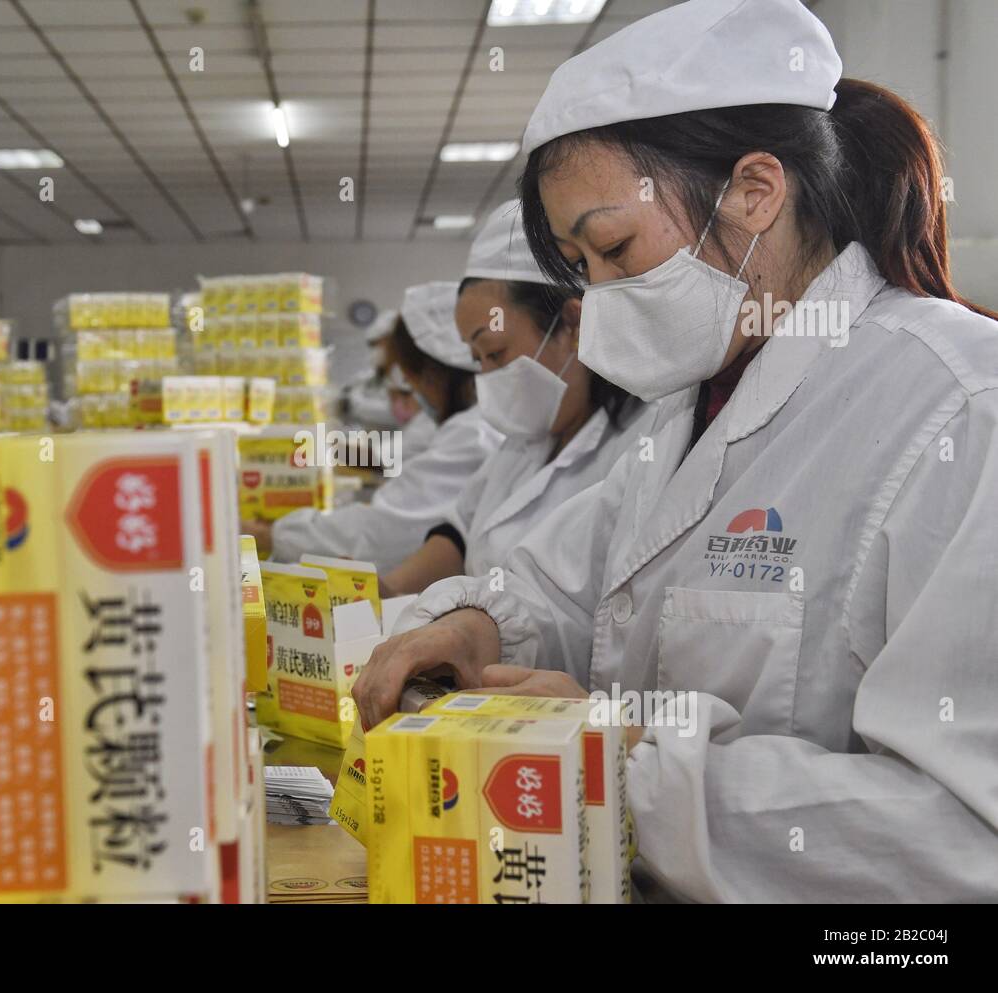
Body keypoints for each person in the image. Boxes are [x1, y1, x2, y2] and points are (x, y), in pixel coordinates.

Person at [354, 0, 998, 902]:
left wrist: (626, 766)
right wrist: (479, 627)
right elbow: (579, 583)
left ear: (754, 193)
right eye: (582, 267)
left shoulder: (961, 407)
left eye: (615, 248)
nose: (602, 299)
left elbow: (964, 839)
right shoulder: (695, 399)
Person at [381, 201, 651, 596]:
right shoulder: (527, 438)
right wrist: (387, 590)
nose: (487, 376)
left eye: (494, 352)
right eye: (476, 360)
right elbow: (459, 531)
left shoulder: (643, 443)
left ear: (572, 325)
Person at [246, 282, 503, 572]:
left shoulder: (473, 433)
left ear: (432, 375)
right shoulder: (466, 423)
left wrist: (273, 535)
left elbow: (384, 529)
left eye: (411, 380)